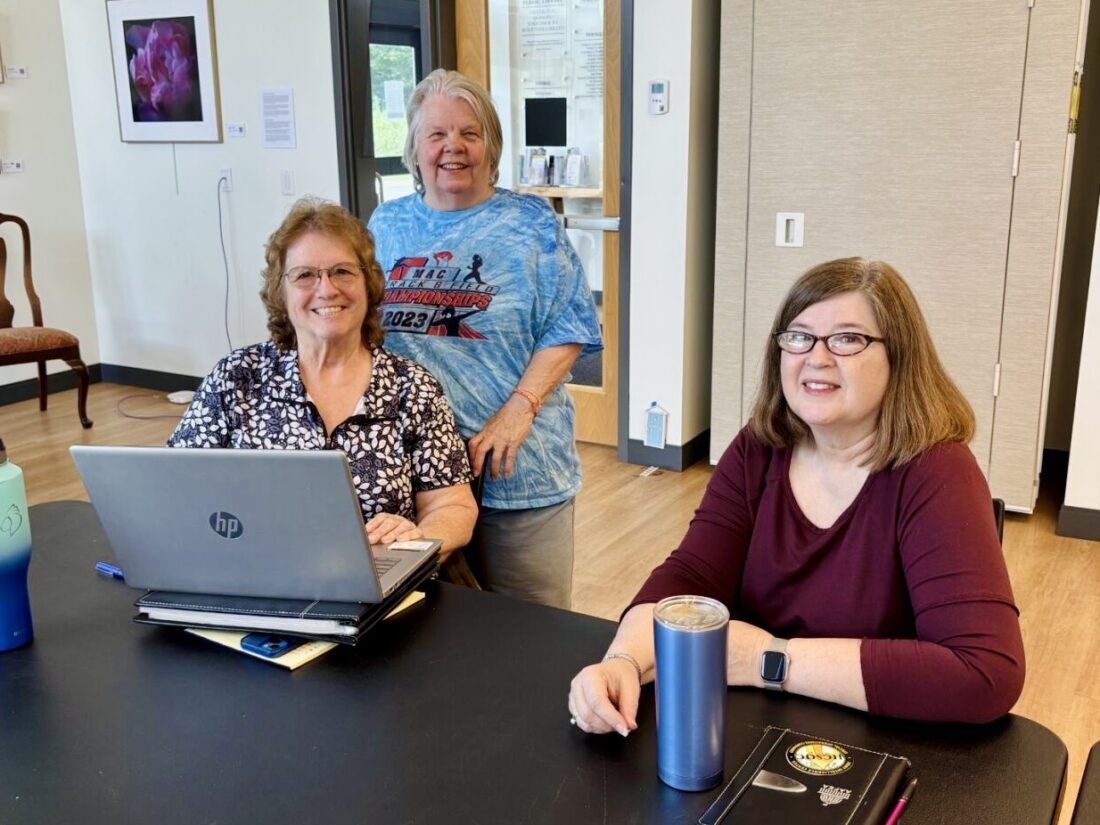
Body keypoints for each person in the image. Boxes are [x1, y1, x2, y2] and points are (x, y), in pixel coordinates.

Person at [568, 257, 1025, 728]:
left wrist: (768, 659)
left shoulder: (937, 469)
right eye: (799, 337)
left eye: (848, 339)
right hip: (755, 727)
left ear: (899, 357)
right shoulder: (759, 448)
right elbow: (692, 576)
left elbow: (984, 672)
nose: (817, 358)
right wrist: (622, 661)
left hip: (879, 739)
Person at [368, 69, 603, 609]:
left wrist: (518, 410)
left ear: (490, 145)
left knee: (532, 632)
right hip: (417, 475)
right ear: (414, 148)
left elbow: (569, 324)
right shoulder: (386, 226)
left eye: (469, 133)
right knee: (432, 631)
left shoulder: (530, 222)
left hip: (518, 468)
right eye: (437, 134)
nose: (453, 147)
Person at [169, 198, 477, 555]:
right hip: (254, 573)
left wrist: (416, 540)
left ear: (368, 284)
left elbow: (454, 508)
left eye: (342, 271)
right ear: (280, 293)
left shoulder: (413, 389)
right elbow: (178, 488)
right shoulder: (235, 378)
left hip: (379, 587)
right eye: (305, 275)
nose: (327, 289)